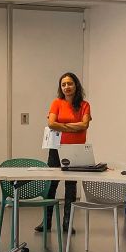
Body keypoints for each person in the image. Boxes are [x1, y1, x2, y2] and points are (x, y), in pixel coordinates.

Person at [36, 71, 91, 234]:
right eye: (64, 84)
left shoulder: (84, 105)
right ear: (61, 87)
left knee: (71, 187)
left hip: (76, 150)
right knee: (51, 184)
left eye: (70, 83)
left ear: (76, 85)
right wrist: (74, 125)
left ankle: (68, 222)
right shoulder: (57, 103)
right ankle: (46, 221)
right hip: (57, 148)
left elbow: (85, 125)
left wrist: (64, 126)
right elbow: (51, 124)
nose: (67, 87)